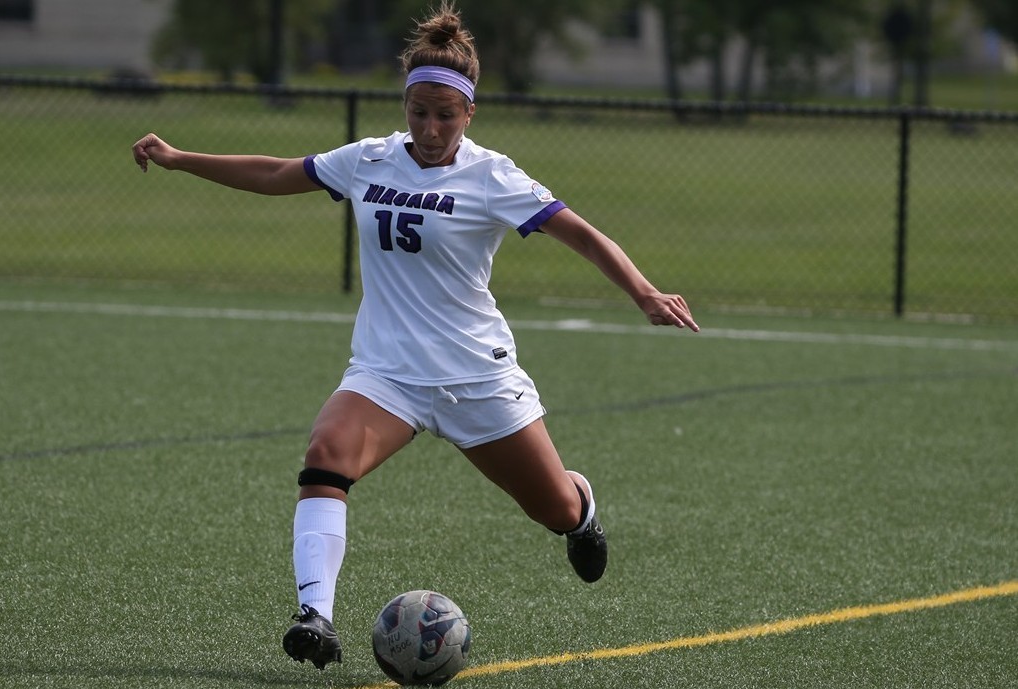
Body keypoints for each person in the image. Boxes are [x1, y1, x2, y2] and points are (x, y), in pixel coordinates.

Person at [132, 1, 699, 672]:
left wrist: (644, 292)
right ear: (405, 107)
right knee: (325, 454)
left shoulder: (493, 176)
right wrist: (178, 158)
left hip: (476, 378)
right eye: (418, 112)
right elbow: (275, 172)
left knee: (551, 505)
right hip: (387, 374)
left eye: (445, 114)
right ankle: (315, 614)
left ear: (469, 114)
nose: (430, 128)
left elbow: (579, 231)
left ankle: (581, 510)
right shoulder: (370, 160)